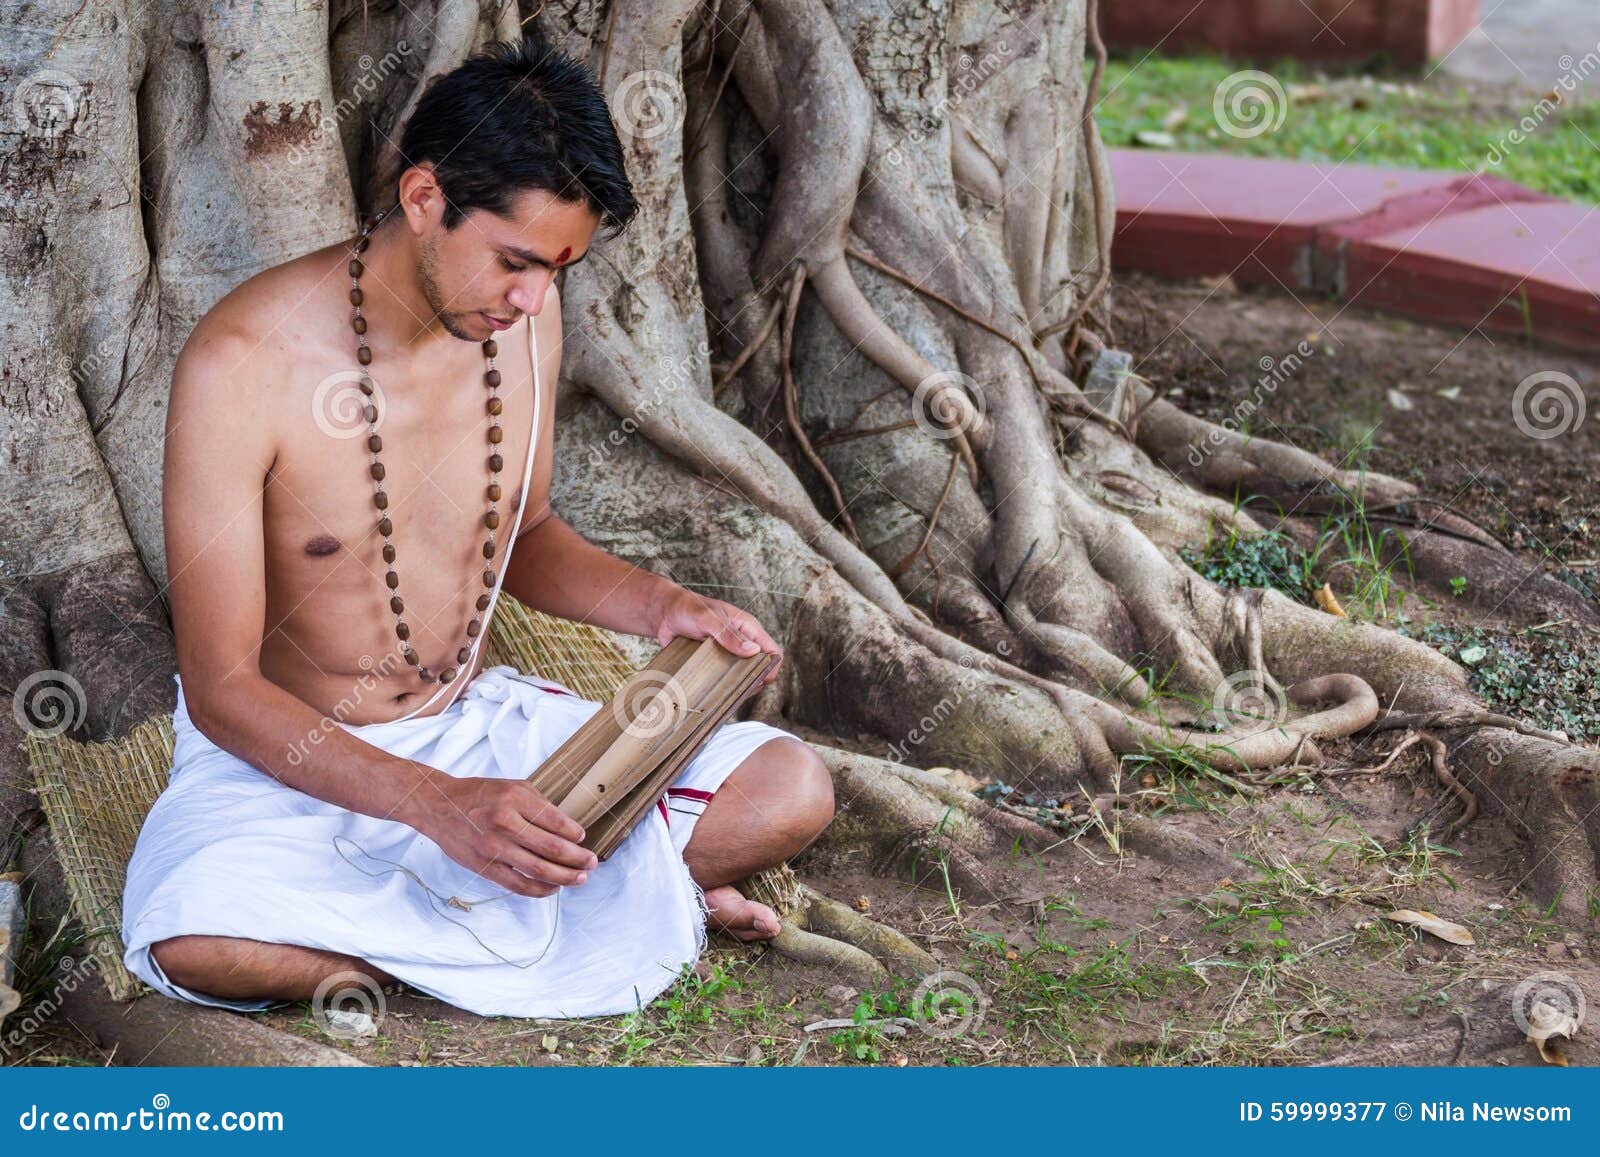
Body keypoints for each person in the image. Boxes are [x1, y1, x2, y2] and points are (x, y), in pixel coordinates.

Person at [121, 32, 835, 1019]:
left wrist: (666, 607)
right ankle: (593, 908)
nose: (535, 298)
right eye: (514, 262)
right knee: (195, 940)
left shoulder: (521, 318)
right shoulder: (243, 363)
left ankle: (473, 915)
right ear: (424, 199)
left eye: (557, 269)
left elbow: (528, 533)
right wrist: (433, 807)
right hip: (293, 769)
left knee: (787, 785)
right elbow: (223, 688)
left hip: (480, 735)